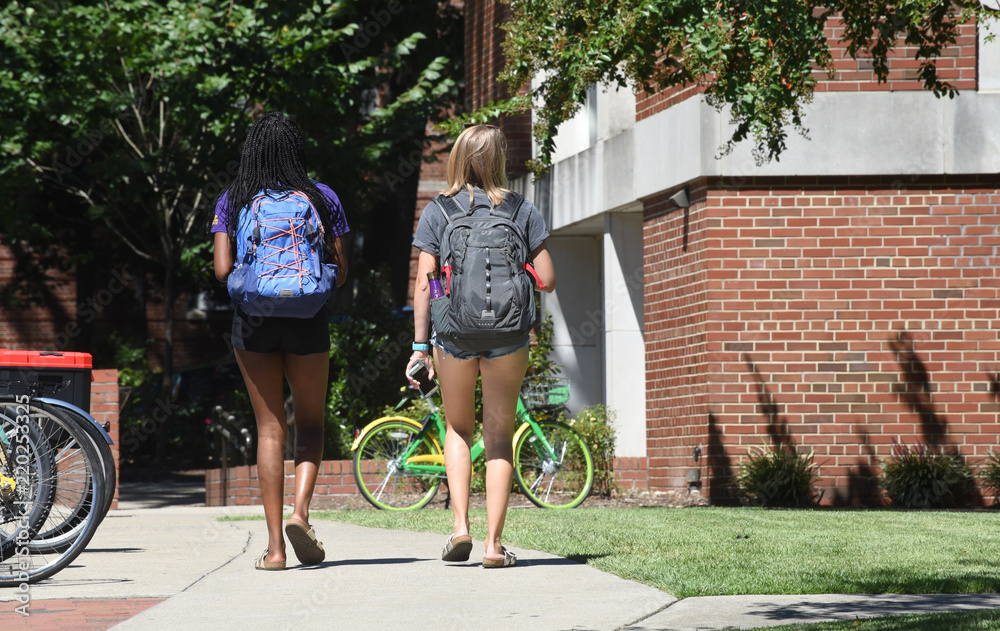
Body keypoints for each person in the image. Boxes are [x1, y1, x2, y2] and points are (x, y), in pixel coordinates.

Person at [407, 123, 556, 568]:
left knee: (458, 429)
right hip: (509, 338)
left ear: (456, 157)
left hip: (453, 336)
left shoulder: (438, 210)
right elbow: (547, 280)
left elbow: (423, 283)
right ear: (499, 160)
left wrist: (422, 343)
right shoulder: (521, 210)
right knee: (498, 438)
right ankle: (493, 546)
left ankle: (460, 529)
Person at [211, 111, 349, 570]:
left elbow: (223, 271)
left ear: (252, 151)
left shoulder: (234, 199)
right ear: (296, 151)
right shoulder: (320, 196)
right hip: (308, 317)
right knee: (310, 425)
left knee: (270, 428)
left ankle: (273, 550)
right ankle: (301, 513)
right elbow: (340, 269)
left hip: (253, 321)